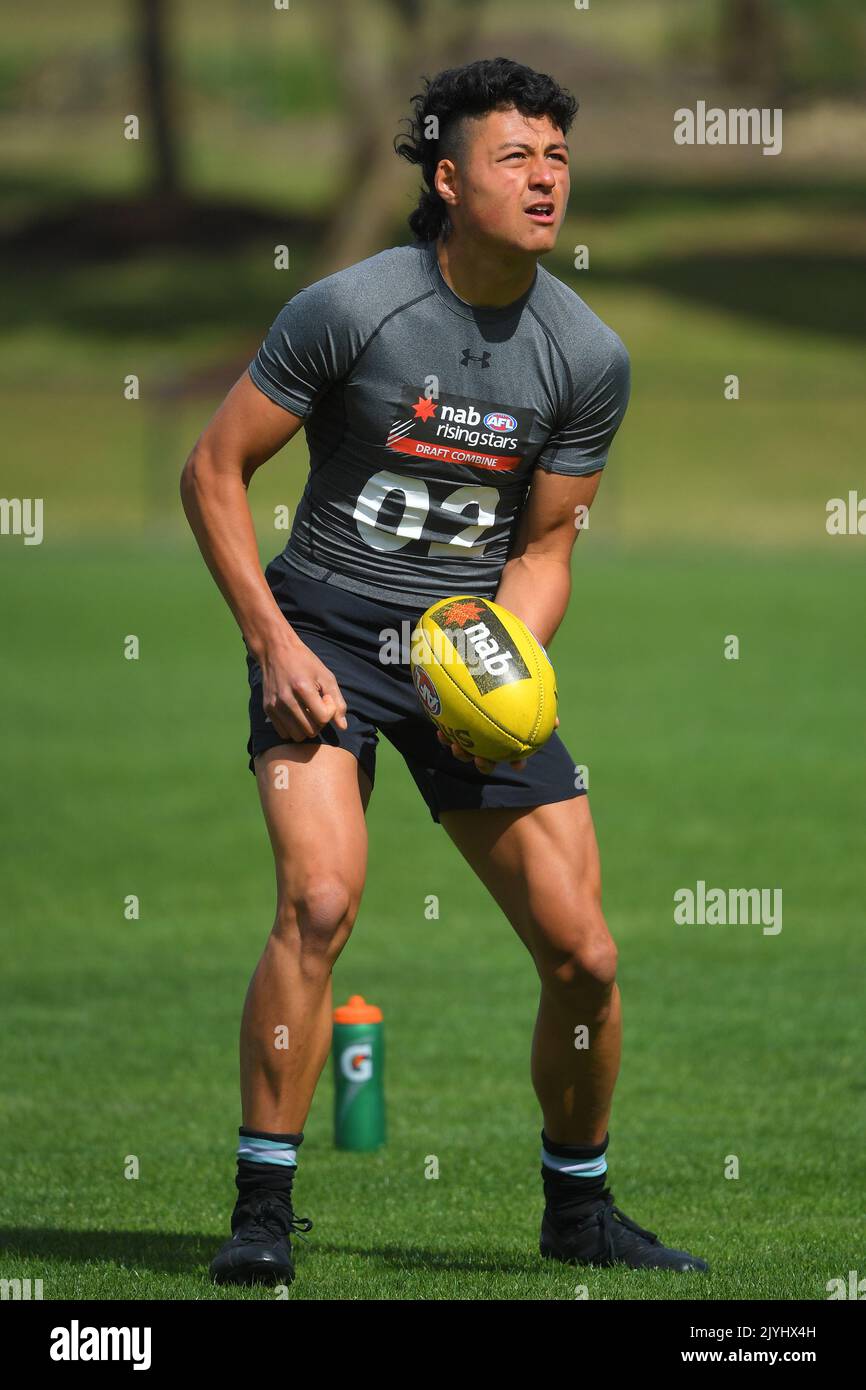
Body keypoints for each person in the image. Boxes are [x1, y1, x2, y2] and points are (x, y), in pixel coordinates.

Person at [181, 56, 708, 1286]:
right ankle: (262, 1210)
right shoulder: (348, 309)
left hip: (462, 654)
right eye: (515, 157)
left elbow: (544, 549)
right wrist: (271, 643)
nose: (543, 179)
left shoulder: (587, 355)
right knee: (319, 904)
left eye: (557, 158)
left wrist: (495, 664)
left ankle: (577, 1214)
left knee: (584, 953)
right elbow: (214, 472)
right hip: (319, 632)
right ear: (446, 177)